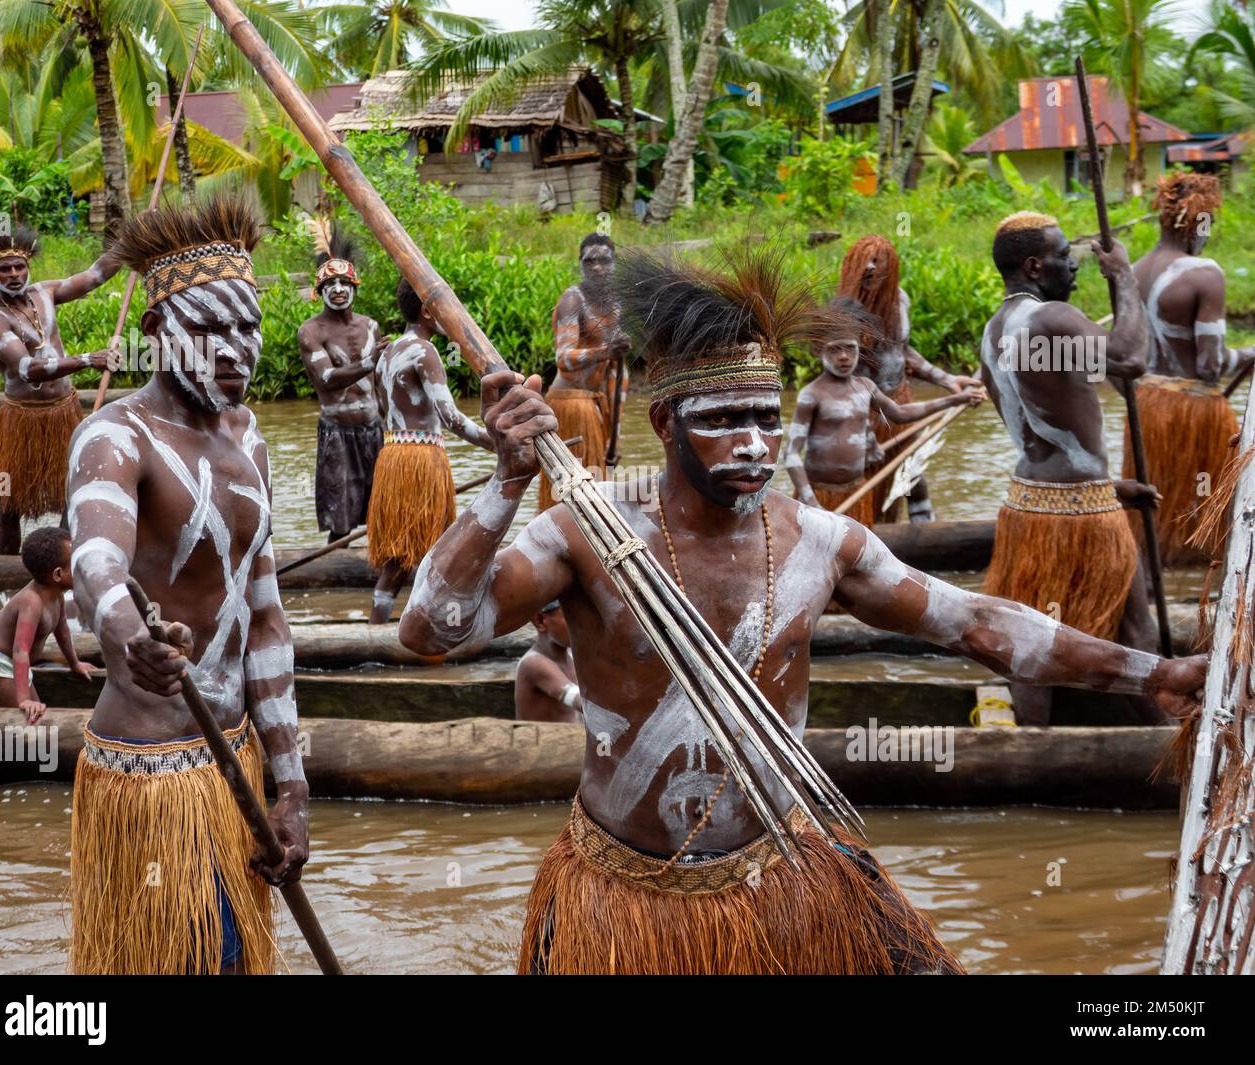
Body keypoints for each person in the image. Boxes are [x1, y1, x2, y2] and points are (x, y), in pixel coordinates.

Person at [398, 246, 1206, 974]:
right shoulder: (584, 530)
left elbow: (980, 624)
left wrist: (1155, 672)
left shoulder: (822, 542)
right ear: (664, 424)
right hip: (620, 897)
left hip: (785, 874)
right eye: (722, 421)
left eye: (763, 416)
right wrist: (506, 484)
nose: (753, 442)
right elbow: (429, 629)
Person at [65, 193, 307, 974]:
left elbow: (266, 621)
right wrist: (132, 639)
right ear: (155, 333)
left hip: (234, 763)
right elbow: (95, 560)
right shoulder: (115, 435)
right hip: (152, 769)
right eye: (208, 331)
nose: (234, 349)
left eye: (247, 327)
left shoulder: (253, 444)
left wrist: (292, 786)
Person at [979, 211, 1166, 727]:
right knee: (1135, 631)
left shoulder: (994, 330)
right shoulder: (1051, 320)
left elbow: (1041, 432)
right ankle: (1170, 750)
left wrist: (1111, 486)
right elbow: (1130, 359)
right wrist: (1124, 276)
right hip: (1082, 514)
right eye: (1066, 258)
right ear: (1036, 266)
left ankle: (1032, 749)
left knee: (1030, 639)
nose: (1074, 269)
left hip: (1027, 506)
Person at [1126, 171, 1254, 564]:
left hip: (1146, 405)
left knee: (1158, 505)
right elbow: (1211, 366)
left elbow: (1125, 357)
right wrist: (1249, 353)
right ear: (1197, 220)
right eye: (1209, 223)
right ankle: (1205, 573)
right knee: (1214, 505)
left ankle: (1162, 572)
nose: (1209, 233)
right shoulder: (1203, 273)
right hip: (1194, 411)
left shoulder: (1132, 272)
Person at [0, 221, 122, 553]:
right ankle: (9, 579)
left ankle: (65, 569)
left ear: (28, 268)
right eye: (5, 269)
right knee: (9, 502)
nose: (13, 274)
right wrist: (88, 359)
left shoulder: (45, 293)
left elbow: (97, 274)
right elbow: (29, 369)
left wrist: (132, 241)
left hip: (64, 412)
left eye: (19, 266)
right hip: (22, 420)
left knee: (72, 492)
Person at [366, 277, 493, 624]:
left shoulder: (386, 353)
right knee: (430, 551)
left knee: (401, 555)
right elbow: (450, 417)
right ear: (426, 311)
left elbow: (381, 411)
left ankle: (379, 626)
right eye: (442, 308)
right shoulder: (425, 351)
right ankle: (433, 627)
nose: (449, 314)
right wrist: (494, 443)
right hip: (420, 461)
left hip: (392, 456)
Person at [786, 310, 981, 527]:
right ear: (818, 351)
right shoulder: (811, 395)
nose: (843, 356)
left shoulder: (866, 387)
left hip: (856, 493)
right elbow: (792, 455)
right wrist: (810, 502)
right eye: (835, 350)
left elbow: (900, 413)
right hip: (819, 495)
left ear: (859, 347)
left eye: (850, 348)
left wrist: (955, 400)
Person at [837, 235, 979, 522]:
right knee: (863, 477)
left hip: (899, 400)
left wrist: (945, 379)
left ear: (890, 270)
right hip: (863, 409)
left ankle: (925, 539)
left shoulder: (899, 299)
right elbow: (839, 378)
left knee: (912, 472)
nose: (870, 268)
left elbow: (901, 349)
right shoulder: (843, 312)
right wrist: (863, 432)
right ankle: (859, 536)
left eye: (878, 262)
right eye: (865, 261)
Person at [296, 223, 384, 542]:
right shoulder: (312, 332)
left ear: (355, 287)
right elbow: (328, 379)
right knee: (340, 520)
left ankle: (378, 575)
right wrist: (371, 360)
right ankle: (336, 573)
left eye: (344, 282)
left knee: (382, 511)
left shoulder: (371, 327)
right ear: (319, 291)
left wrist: (394, 430)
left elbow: (379, 386)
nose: (338, 289)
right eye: (330, 284)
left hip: (374, 429)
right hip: (337, 432)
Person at [539, 233, 630, 511]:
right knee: (566, 493)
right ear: (580, 265)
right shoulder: (572, 300)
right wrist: (605, 351)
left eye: (604, 260)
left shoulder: (617, 305)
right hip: (569, 405)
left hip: (595, 407)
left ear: (614, 264)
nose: (597, 267)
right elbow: (563, 359)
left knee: (595, 491)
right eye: (590, 261)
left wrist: (614, 435)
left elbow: (618, 373)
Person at [0, 526, 95, 723]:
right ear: (57, 574)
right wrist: (24, 700)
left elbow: (62, 633)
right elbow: (21, 650)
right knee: (30, 719)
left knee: (39, 712)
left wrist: (75, 664)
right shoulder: (32, 602)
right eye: (76, 564)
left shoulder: (57, 595)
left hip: (16, 661)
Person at [515, 600, 581, 723]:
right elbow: (577, 699)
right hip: (545, 741)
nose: (580, 625)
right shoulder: (532, 664)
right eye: (570, 618)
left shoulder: (572, 657)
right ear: (539, 621)